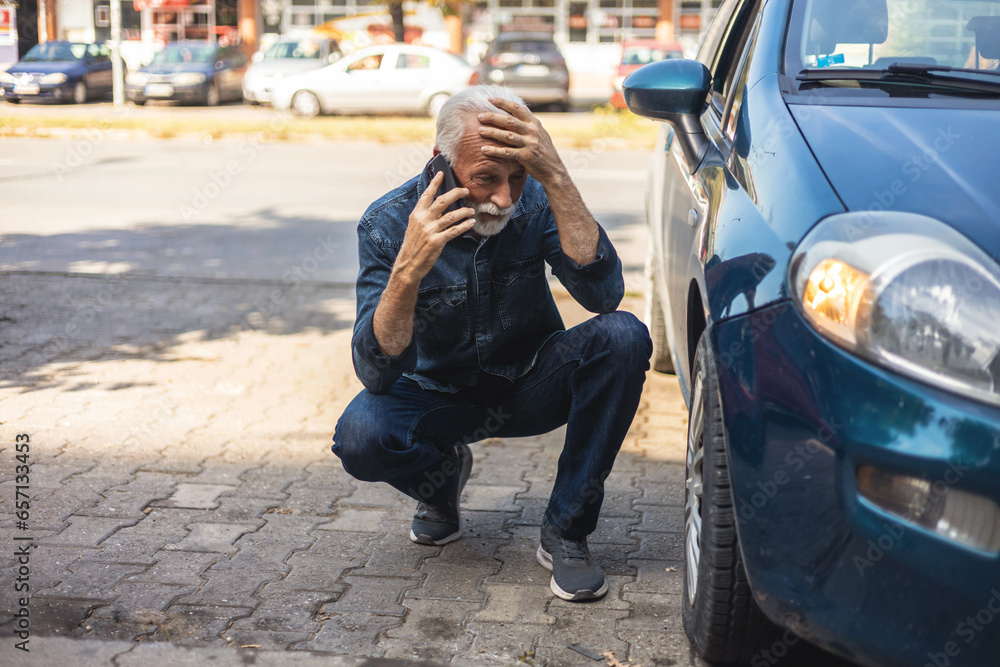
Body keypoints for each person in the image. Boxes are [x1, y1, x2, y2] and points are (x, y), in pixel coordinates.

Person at [332, 85, 651, 601]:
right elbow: (377, 375)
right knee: (361, 436)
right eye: (485, 179)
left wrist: (556, 177)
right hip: (437, 398)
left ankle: (566, 531)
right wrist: (408, 270)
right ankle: (441, 479)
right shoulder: (387, 223)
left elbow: (604, 295)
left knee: (623, 336)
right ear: (440, 164)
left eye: (518, 177)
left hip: (529, 384)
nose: (504, 198)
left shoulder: (539, 201)